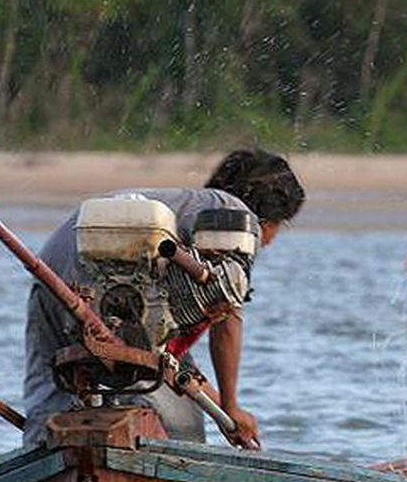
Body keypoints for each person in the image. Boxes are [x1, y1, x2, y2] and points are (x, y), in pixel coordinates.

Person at [23, 148, 304, 451]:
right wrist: (233, 406)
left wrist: (223, 411)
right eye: (280, 226)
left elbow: (173, 358)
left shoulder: (187, 208)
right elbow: (228, 316)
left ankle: (44, 465)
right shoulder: (235, 217)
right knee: (162, 412)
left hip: (53, 274)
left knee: (51, 402)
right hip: (108, 293)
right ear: (268, 217)